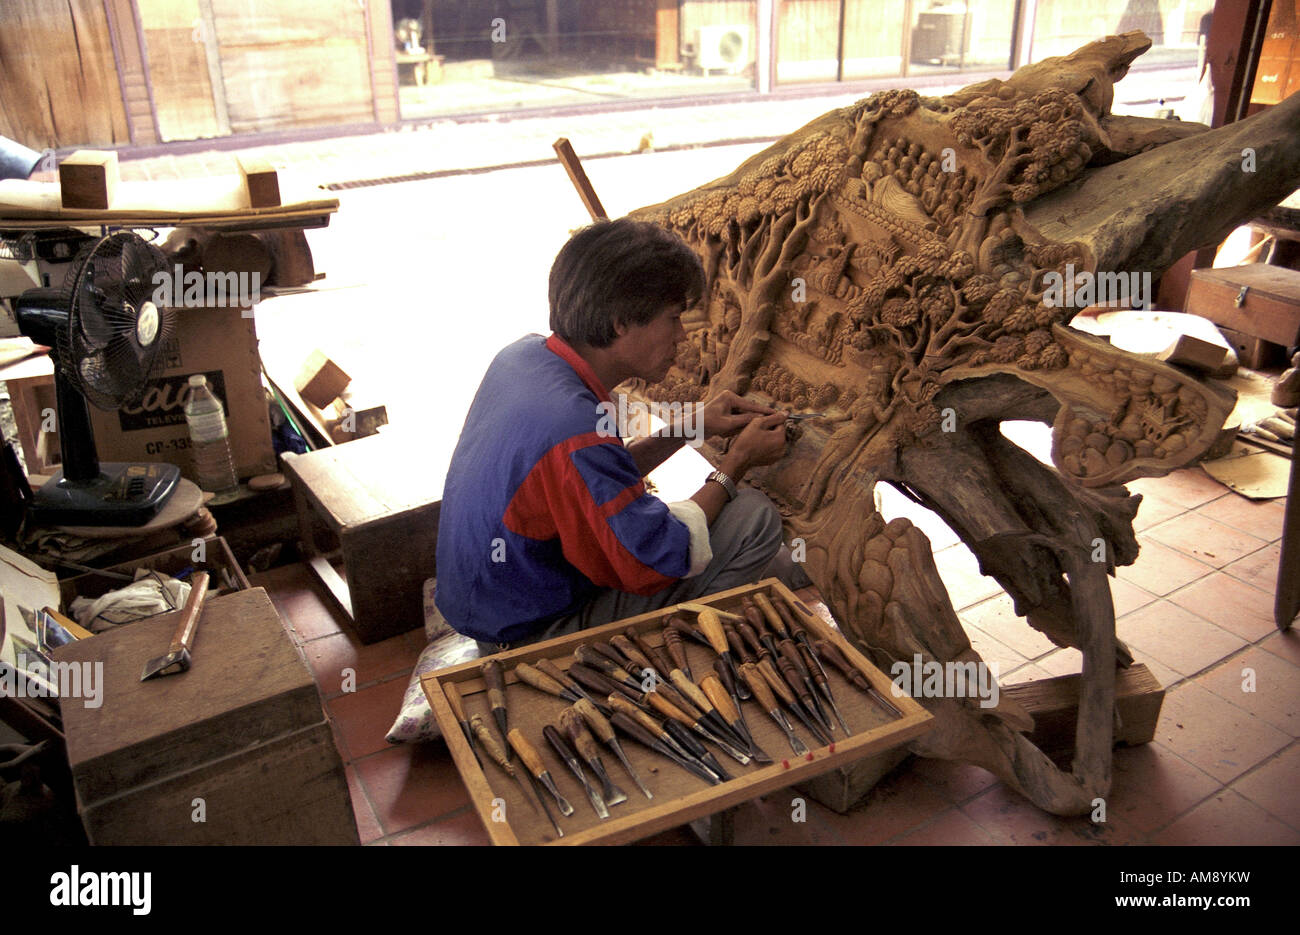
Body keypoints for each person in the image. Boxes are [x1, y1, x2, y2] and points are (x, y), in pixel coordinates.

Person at [435, 218, 794, 654]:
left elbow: (587, 484)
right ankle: (685, 659)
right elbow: (655, 560)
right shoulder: (574, 429)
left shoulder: (524, 358)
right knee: (754, 517)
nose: (682, 335)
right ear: (622, 321)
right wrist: (734, 465)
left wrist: (689, 426)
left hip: (488, 600)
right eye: (673, 318)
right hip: (526, 631)